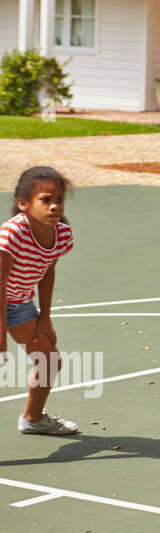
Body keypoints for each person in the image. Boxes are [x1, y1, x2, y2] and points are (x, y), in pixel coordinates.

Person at [1, 166, 77, 435]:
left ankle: (32, 419)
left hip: (19, 303)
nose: (55, 207)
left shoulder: (61, 234)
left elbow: (47, 271)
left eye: (59, 200)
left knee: (48, 360)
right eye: (46, 200)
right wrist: (1, 333)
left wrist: (45, 317)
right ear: (24, 203)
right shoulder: (11, 235)